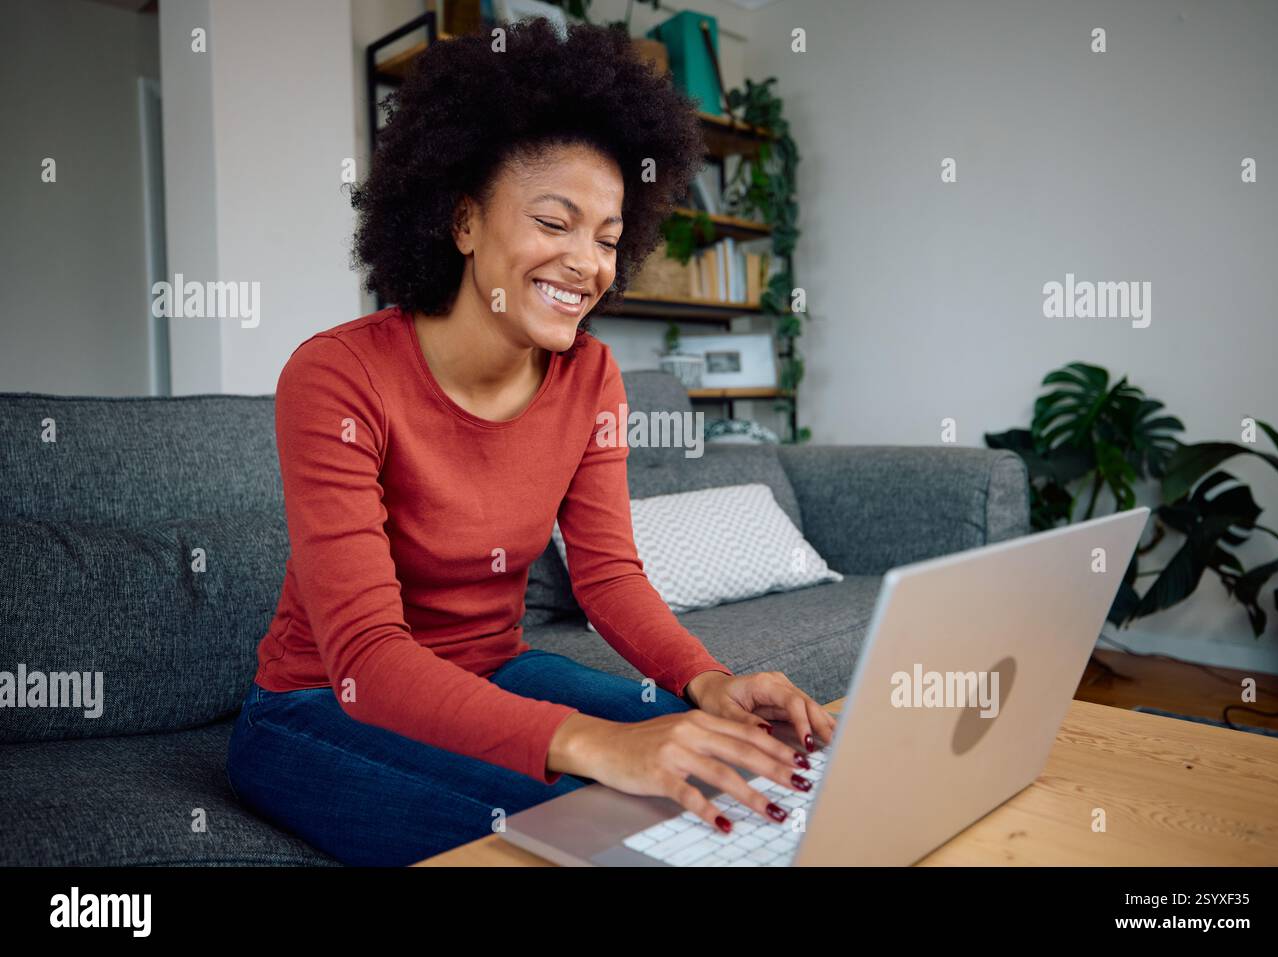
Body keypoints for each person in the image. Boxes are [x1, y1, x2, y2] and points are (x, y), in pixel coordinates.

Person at [225, 17, 837, 867]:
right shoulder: (337, 376)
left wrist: (709, 682)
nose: (587, 263)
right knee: (604, 817)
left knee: (767, 769)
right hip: (319, 705)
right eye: (555, 221)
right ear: (465, 220)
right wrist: (602, 746)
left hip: (495, 672)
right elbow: (367, 652)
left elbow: (608, 574)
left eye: (609, 238)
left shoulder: (591, 378)